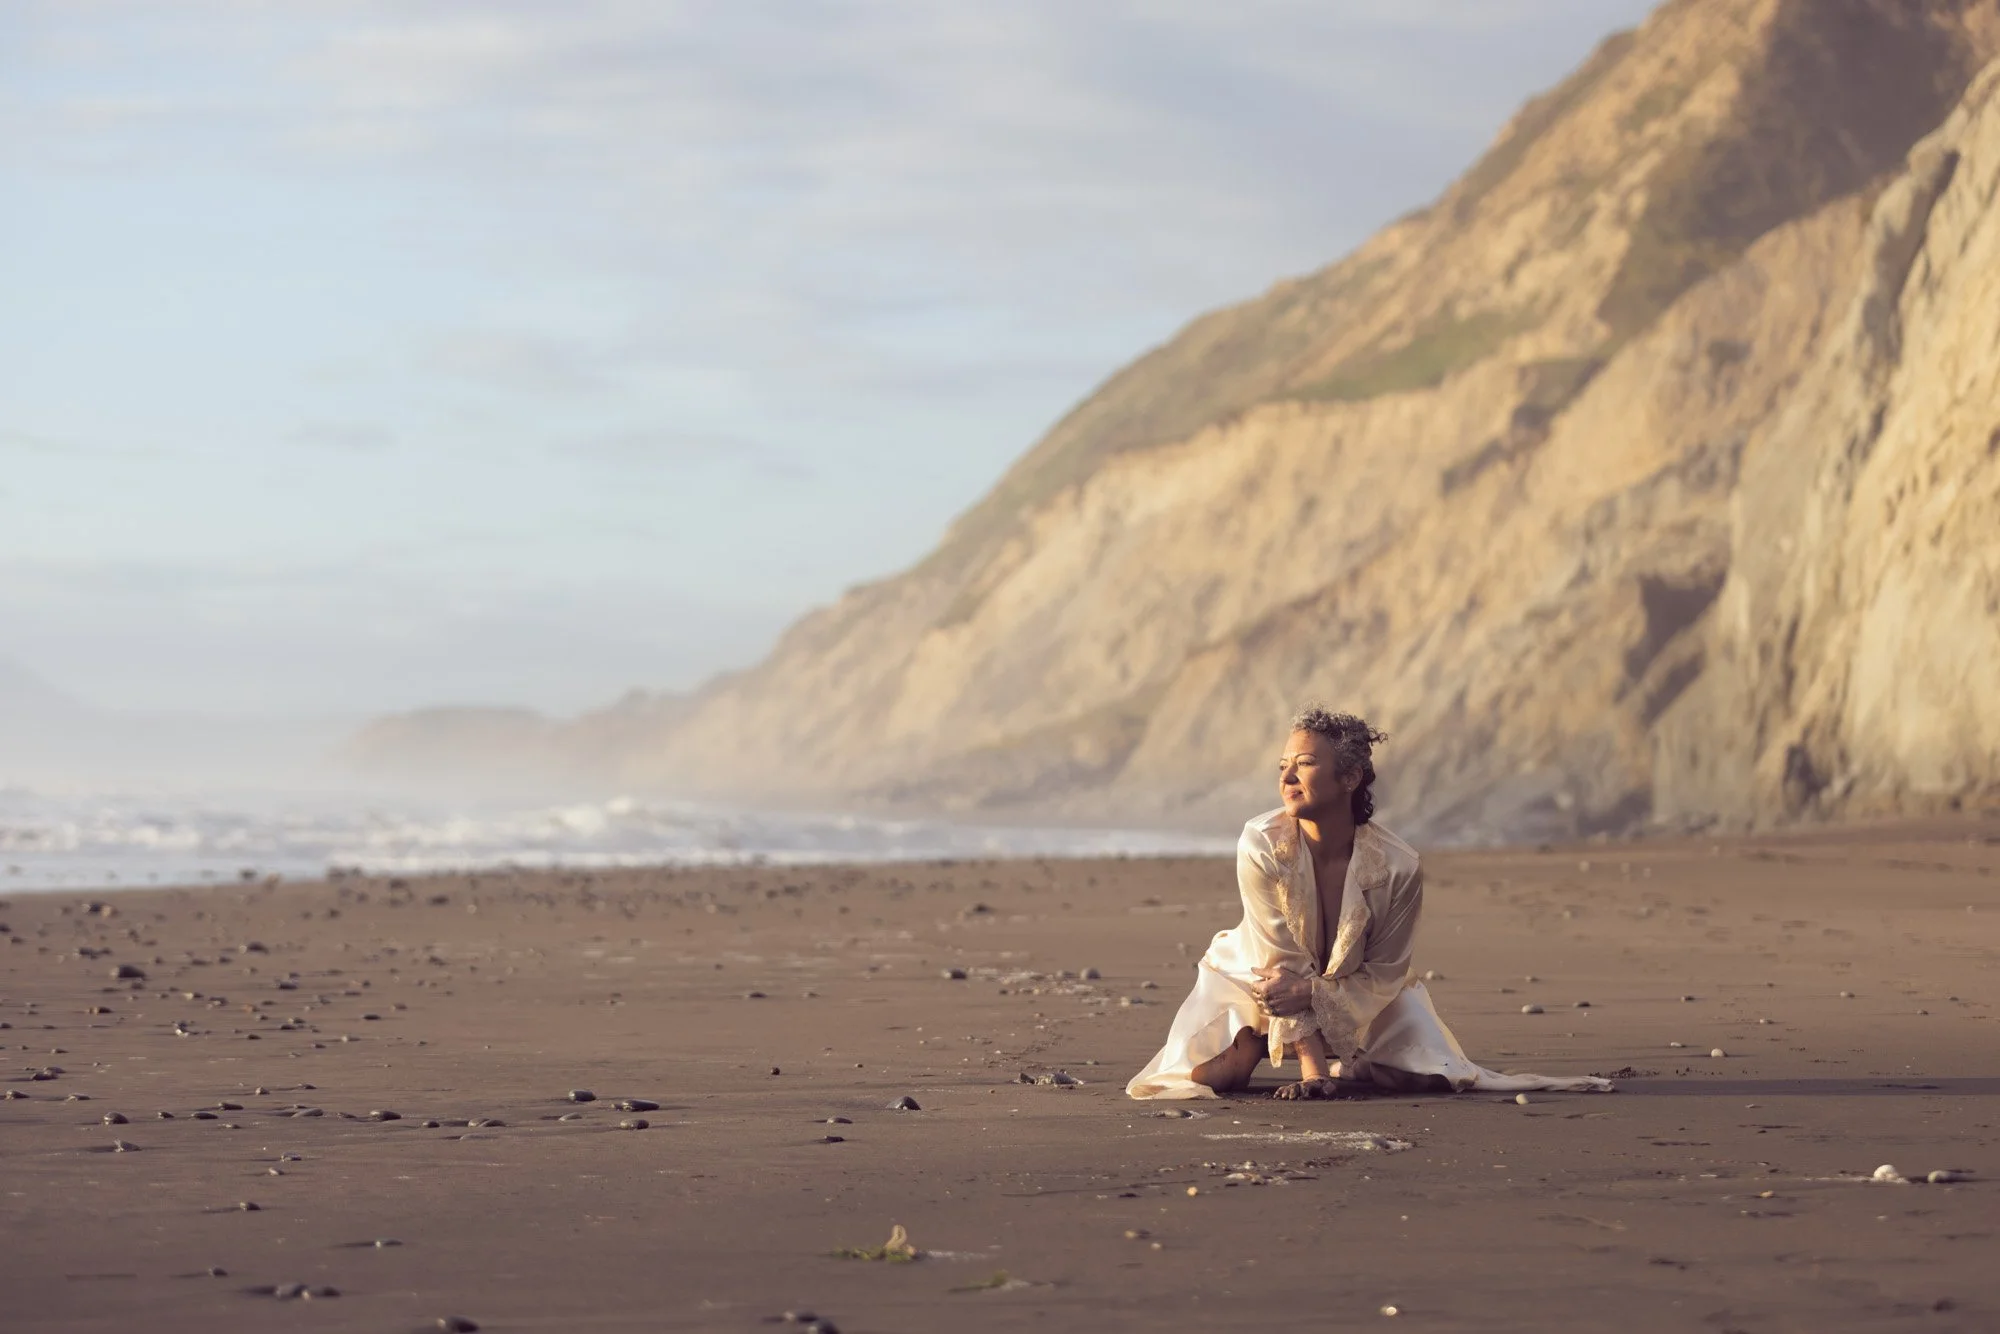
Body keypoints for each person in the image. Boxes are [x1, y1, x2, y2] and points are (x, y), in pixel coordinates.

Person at [1126, 707, 1613, 1101]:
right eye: (1283, 765)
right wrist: (1314, 1074)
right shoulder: (1261, 843)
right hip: (1255, 978)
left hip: (1362, 991)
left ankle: (1353, 1059)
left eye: (1306, 763)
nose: (1288, 775)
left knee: (1436, 1078)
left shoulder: (1400, 867)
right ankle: (1266, 1045)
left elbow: (1385, 972)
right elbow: (1279, 963)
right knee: (1219, 1077)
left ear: (1351, 776)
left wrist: (1318, 1004)